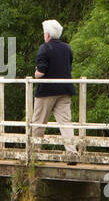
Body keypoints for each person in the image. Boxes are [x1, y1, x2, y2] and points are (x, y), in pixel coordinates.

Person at [32, 19, 79, 163]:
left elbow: (41, 72)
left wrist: (35, 74)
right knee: (65, 122)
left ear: (47, 35)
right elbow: (69, 67)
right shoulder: (67, 48)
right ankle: (72, 153)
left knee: (39, 122)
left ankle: (34, 153)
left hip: (47, 90)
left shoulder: (44, 48)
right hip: (64, 89)